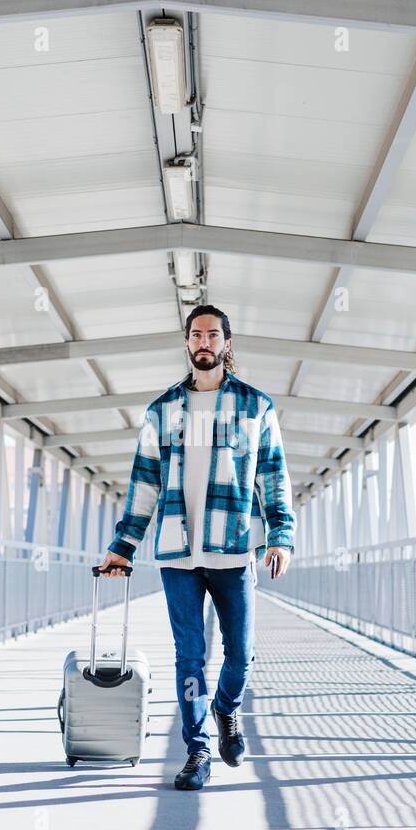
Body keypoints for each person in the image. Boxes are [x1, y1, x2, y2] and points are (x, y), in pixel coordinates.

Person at [98, 304, 295, 790]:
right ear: (187, 343)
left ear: (228, 343)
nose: (204, 342)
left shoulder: (256, 406)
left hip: (233, 550)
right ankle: (198, 751)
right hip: (178, 554)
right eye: (196, 335)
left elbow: (274, 476)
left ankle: (226, 710)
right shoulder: (160, 410)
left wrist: (281, 536)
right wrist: (123, 547)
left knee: (240, 655)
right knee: (189, 654)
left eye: (213, 335)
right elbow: (144, 484)